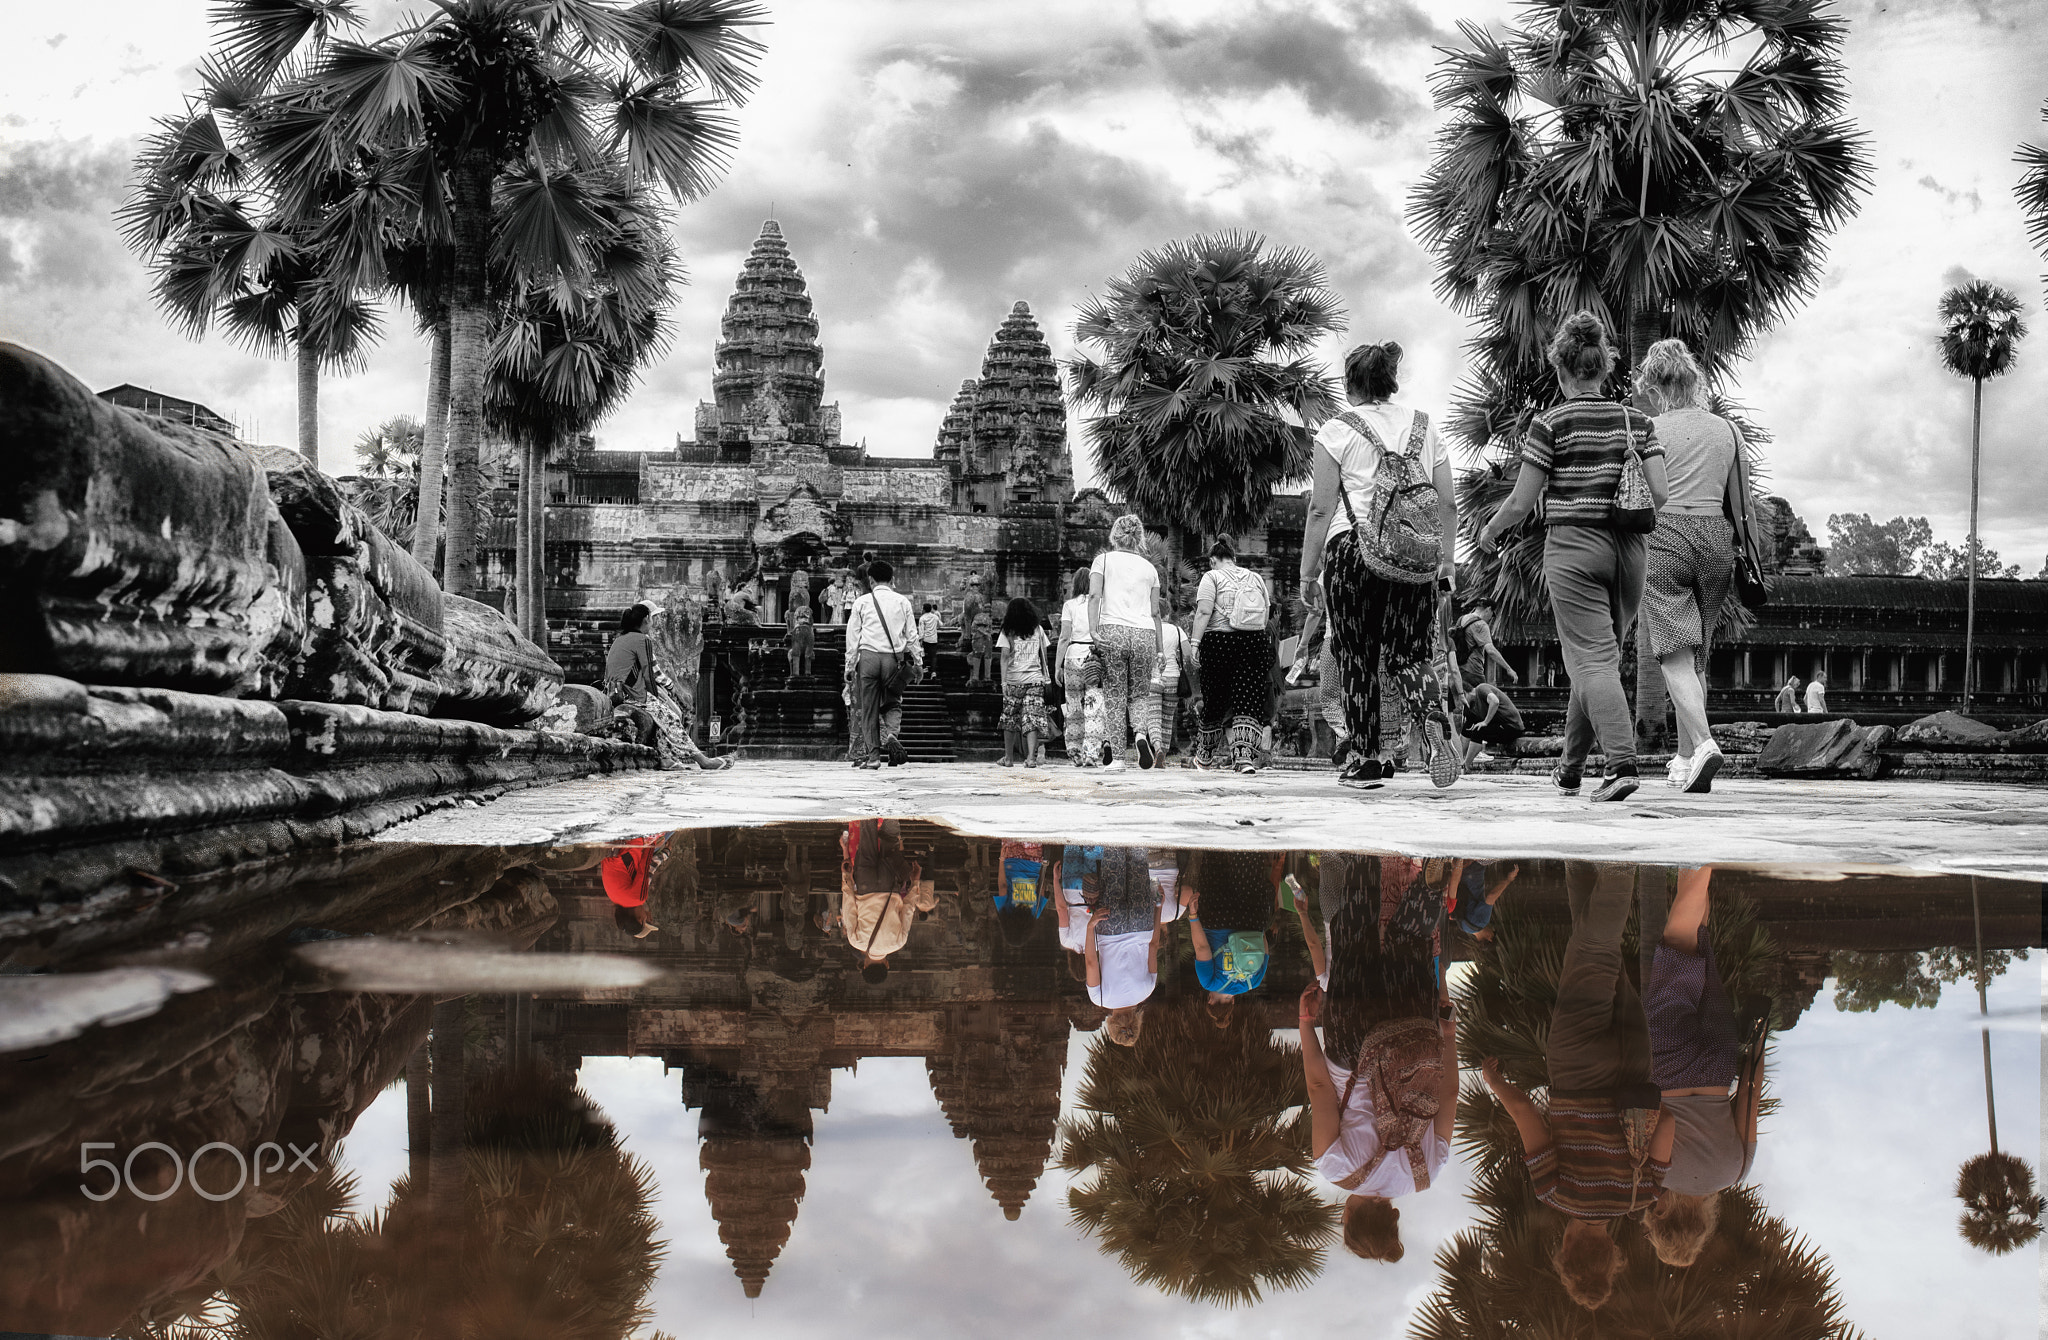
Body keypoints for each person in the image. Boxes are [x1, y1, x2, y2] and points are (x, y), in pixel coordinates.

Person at [1476, 312, 1671, 803]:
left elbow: (1521, 502)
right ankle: (1570, 768)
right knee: (1594, 660)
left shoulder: (1551, 423)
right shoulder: (1637, 421)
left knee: (1591, 661)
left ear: (1562, 372)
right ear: (1604, 369)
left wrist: (1490, 530)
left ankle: (1622, 763)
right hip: (1629, 551)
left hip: (1574, 549)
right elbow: (1661, 493)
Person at [1482, 861, 1666, 1312]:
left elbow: (1671, 1121)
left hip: (1634, 1066)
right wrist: (1495, 1081)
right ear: (1566, 1249)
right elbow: (1527, 1115)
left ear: (1611, 1254)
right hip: (1577, 1068)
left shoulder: (1643, 1195)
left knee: (1601, 954)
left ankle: (1579, 852)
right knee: (1596, 952)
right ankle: (1620, 863)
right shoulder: (1554, 1192)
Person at [1301, 341, 1462, 790]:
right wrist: (1446, 563)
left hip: (1352, 550)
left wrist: (1307, 572)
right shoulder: (1426, 428)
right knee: (1410, 654)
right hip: (1417, 554)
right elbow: (1448, 503)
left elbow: (1319, 508)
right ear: (1390, 382)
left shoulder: (1337, 430)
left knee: (1356, 655)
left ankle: (1366, 757)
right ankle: (1431, 718)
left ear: (1350, 384)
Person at [1298, 854, 1459, 1264]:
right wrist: (1304, 1024)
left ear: (1392, 1217)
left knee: (1411, 946)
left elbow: (1449, 1095)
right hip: (1353, 1042)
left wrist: (1448, 1033)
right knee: (1354, 933)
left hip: (1414, 1036)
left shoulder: (1426, 1175)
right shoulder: (1334, 1169)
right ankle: (1363, 853)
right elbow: (1319, 1089)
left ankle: (1429, 886)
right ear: (1350, 1215)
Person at [1642, 866, 1766, 1268]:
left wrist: (1755, 1048)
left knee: (1700, 943)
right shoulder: (1655, 1174)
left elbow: (1749, 1095)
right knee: (1679, 943)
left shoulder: (1735, 1173)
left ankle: (1692, 865)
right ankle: (1698, 852)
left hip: (1718, 1066)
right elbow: (1654, 1118)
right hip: (1667, 1068)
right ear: (1661, 1218)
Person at [1636, 338, 1745, 794]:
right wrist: (1748, 555)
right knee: (1696, 653)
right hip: (1718, 539)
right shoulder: (1727, 431)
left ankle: (1703, 743)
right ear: (1692, 379)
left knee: (1673, 654)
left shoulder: (1648, 429)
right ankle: (1684, 760)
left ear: (1656, 386)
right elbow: (1741, 507)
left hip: (1666, 537)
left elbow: (1644, 496)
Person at [604, 603, 732, 771]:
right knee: (669, 716)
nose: (652, 623)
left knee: (662, 714)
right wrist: (657, 697)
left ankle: (664, 757)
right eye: (651, 619)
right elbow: (650, 674)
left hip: (613, 691)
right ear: (646, 620)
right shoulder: (642, 640)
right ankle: (702, 760)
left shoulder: (620, 639)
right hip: (632, 694)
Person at [1190, 536, 1273, 774]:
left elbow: (1204, 611)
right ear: (1234, 558)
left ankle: (1204, 758)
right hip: (1253, 642)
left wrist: (1195, 643)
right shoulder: (1255, 577)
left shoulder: (1212, 577)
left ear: (1213, 560)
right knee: (1248, 700)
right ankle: (1244, 759)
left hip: (1219, 642)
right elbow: (1265, 614)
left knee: (1215, 702)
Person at [1088, 516, 1166, 771]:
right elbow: (1156, 613)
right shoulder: (1150, 569)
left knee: (1115, 694)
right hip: (1144, 634)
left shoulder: (1104, 560)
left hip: (1114, 631)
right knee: (1140, 695)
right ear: (1139, 537)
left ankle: (1119, 757)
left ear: (1114, 535)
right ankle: (1141, 735)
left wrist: (1092, 629)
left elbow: (1094, 596)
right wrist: (1160, 649)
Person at [1084, 845, 1175, 1043]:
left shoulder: (1147, 990)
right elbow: (1091, 962)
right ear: (1112, 1026)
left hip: (1142, 924)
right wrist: (1090, 927)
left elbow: (1153, 945)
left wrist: (1158, 907)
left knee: (1139, 862)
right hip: (1111, 927)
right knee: (1113, 863)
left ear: (1136, 1022)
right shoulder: (1099, 999)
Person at [1185, 850, 1284, 1019]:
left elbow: (1263, 946)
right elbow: (1202, 948)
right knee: (1213, 861)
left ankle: (1247, 833)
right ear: (1210, 1001)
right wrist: (1193, 916)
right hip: (1217, 917)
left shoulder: (1253, 982)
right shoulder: (1209, 982)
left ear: (1232, 1002)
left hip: (1251, 917)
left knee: (1248, 862)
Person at [843, 558, 922, 769]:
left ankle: (874, 757)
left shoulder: (861, 602)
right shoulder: (902, 602)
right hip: (892, 659)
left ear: (870, 580)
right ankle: (892, 735)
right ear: (892, 580)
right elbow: (912, 636)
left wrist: (849, 666)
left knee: (869, 708)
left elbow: (853, 637)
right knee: (893, 701)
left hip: (867, 657)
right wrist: (919, 662)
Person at [838, 819, 937, 982]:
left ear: (887, 965)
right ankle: (869, 802)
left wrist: (915, 882)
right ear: (865, 965)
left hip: (890, 883)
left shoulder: (899, 942)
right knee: (867, 833)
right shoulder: (856, 941)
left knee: (890, 840)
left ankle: (891, 810)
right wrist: (846, 878)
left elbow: (908, 909)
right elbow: (849, 907)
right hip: (865, 884)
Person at [1056, 567, 1106, 767]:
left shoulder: (1069, 605)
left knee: (1074, 706)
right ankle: (1091, 753)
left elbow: (1064, 637)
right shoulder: (1101, 604)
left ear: (1076, 584)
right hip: (1093, 657)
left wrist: (1057, 665)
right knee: (1094, 706)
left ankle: (1074, 751)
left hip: (1072, 656)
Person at [996, 596, 1052, 767]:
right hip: (1035, 680)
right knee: (1032, 718)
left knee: (1009, 718)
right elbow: (1044, 655)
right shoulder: (1038, 630)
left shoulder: (1007, 632)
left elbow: (1004, 657)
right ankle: (1031, 758)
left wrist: (1003, 683)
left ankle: (1009, 758)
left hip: (1013, 681)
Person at [600, 834, 666, 939]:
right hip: (611, 845)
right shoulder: (613, 898)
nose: (647, 915)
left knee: (666, 835)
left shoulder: (638, 900)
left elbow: (644, 868)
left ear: (640, 919)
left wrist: (652, 844)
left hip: (630, 845)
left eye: (646, 920)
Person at [992, 839, 1051, 945]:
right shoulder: (1004, 912)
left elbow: (1041, 888)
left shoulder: (1035, 914)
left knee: (1030, 830)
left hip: (1034, 863)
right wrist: (1001, 860)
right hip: (1012, 860)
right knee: (1013, 827)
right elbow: (1003, 887)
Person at [1153, 606, 1190, 758]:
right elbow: (1187, 652)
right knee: (1167, 719)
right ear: (1167, 614)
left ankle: (1156, 747)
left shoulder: (1150, 629)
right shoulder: (1177, 630)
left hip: (1154, 677)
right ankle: (1164, 752)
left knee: (1153, 717)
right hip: (1173, 677)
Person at [1459, 680, 1524, 766]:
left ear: (1464, 693)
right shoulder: (1470, 708)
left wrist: (1485, 722)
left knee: (1479, 730)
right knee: (1471, 727)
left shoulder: (1481, 689)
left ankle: (1466, 765)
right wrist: (1459, 757)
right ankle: (1460, 762)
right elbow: (1466, 733)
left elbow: (1495, 701)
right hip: (1498, 729)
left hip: (1511, 727)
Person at [1455, 608, 1519, 688]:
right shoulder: (1481, 624)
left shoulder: (1461, 619)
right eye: (1492, 615)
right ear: (1488, 609)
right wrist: (1508, 669)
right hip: (1474, 672)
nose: (1490, 618)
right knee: (1483, 697)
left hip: (1459, 670)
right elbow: (1490, 650)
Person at [785, 601, 815, 678]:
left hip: (807, 642)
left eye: (806, 618)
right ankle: (795, 672)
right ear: (797, 619)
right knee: (794, 654)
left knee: (809, 654)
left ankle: (807, 672)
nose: (804, 620)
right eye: (802, 617)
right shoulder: (796, 630)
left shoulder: (810, 630)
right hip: (797, 644)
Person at [918, 601, 941, 669]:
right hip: (933, 639)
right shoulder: (935, 617)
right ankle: (933, 672)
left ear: (924, 609)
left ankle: (925, 668)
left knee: (923, 654)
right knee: (933, 656)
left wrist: (920, 639)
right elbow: (940, 624)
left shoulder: (922, 618)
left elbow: (921, 630)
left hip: (925, 639)